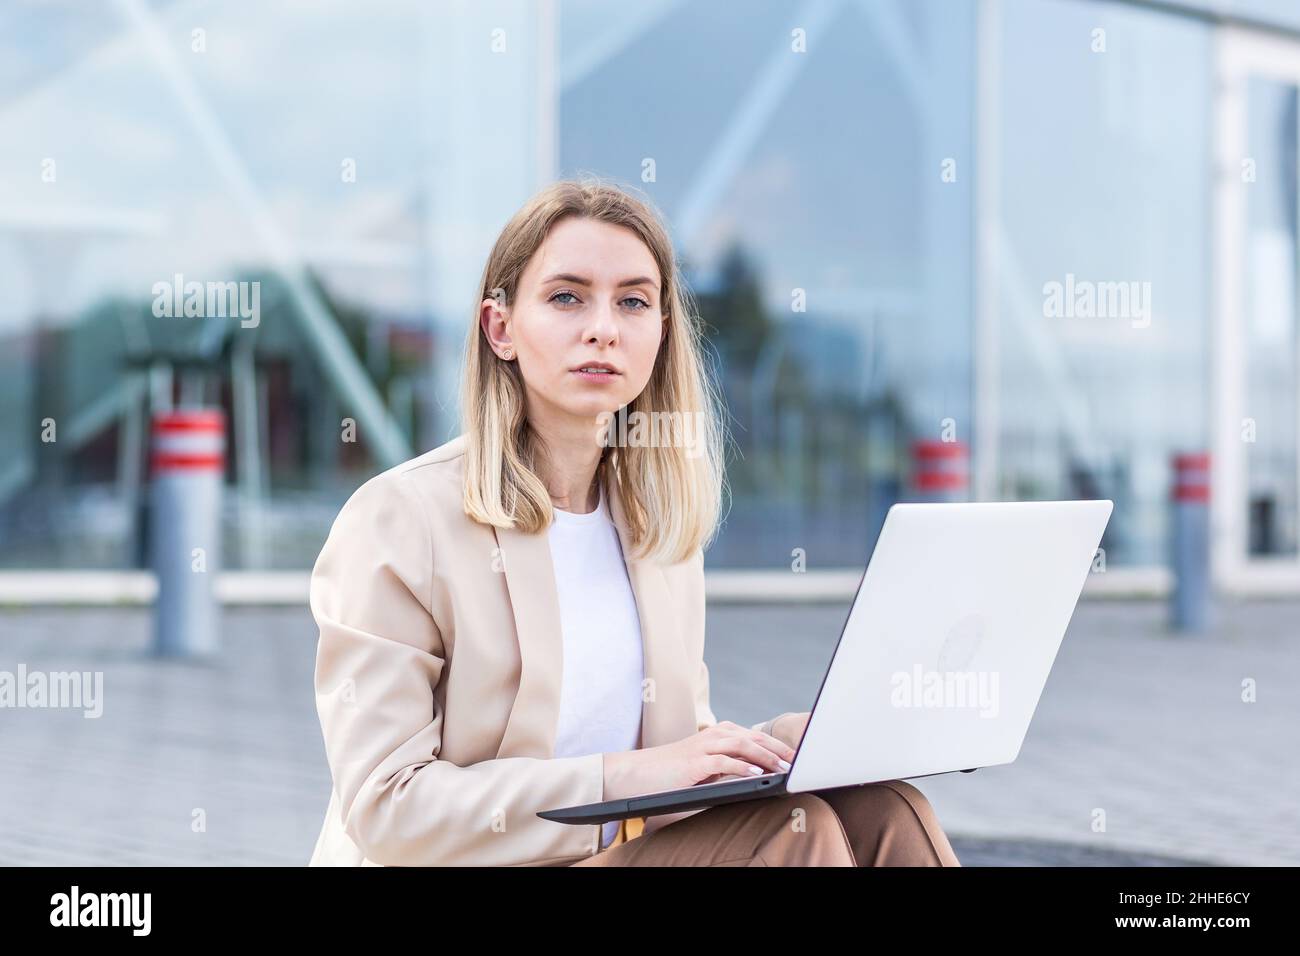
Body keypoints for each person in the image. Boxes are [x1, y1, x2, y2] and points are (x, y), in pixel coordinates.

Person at [307, 176, 961, 867]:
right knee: (793, 833)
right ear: (500, 328)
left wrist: (772, 745)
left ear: (661, 331)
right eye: (567, 297)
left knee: (883, 806)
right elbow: (387, 806)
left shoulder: (656, 527)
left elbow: (672, 756)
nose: (603, 327)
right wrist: (618, 777)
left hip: (616, 856)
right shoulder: (402, 521)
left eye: (633, 302)